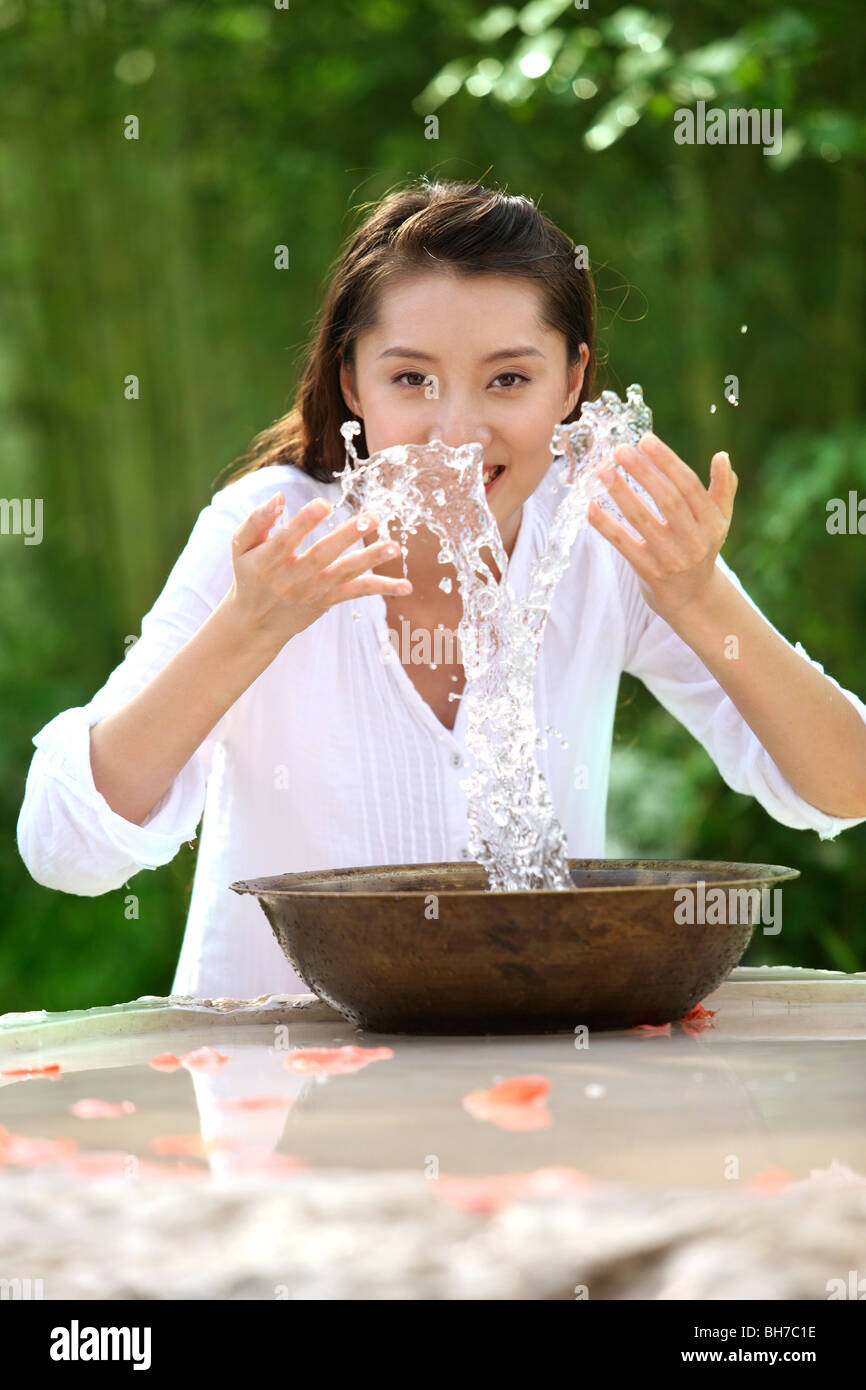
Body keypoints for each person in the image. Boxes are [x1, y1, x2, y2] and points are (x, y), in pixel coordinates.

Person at [16, 177, 866, 1001]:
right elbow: (66, 849)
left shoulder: (600, 538)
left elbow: (845, 784)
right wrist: (248, 628)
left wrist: (700, 599)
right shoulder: (269, 534)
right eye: (411, 379)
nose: (457, 434)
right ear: (353, 381)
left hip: (533, 1092)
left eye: (508, 379)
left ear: (572, 382)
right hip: (278, 1105)